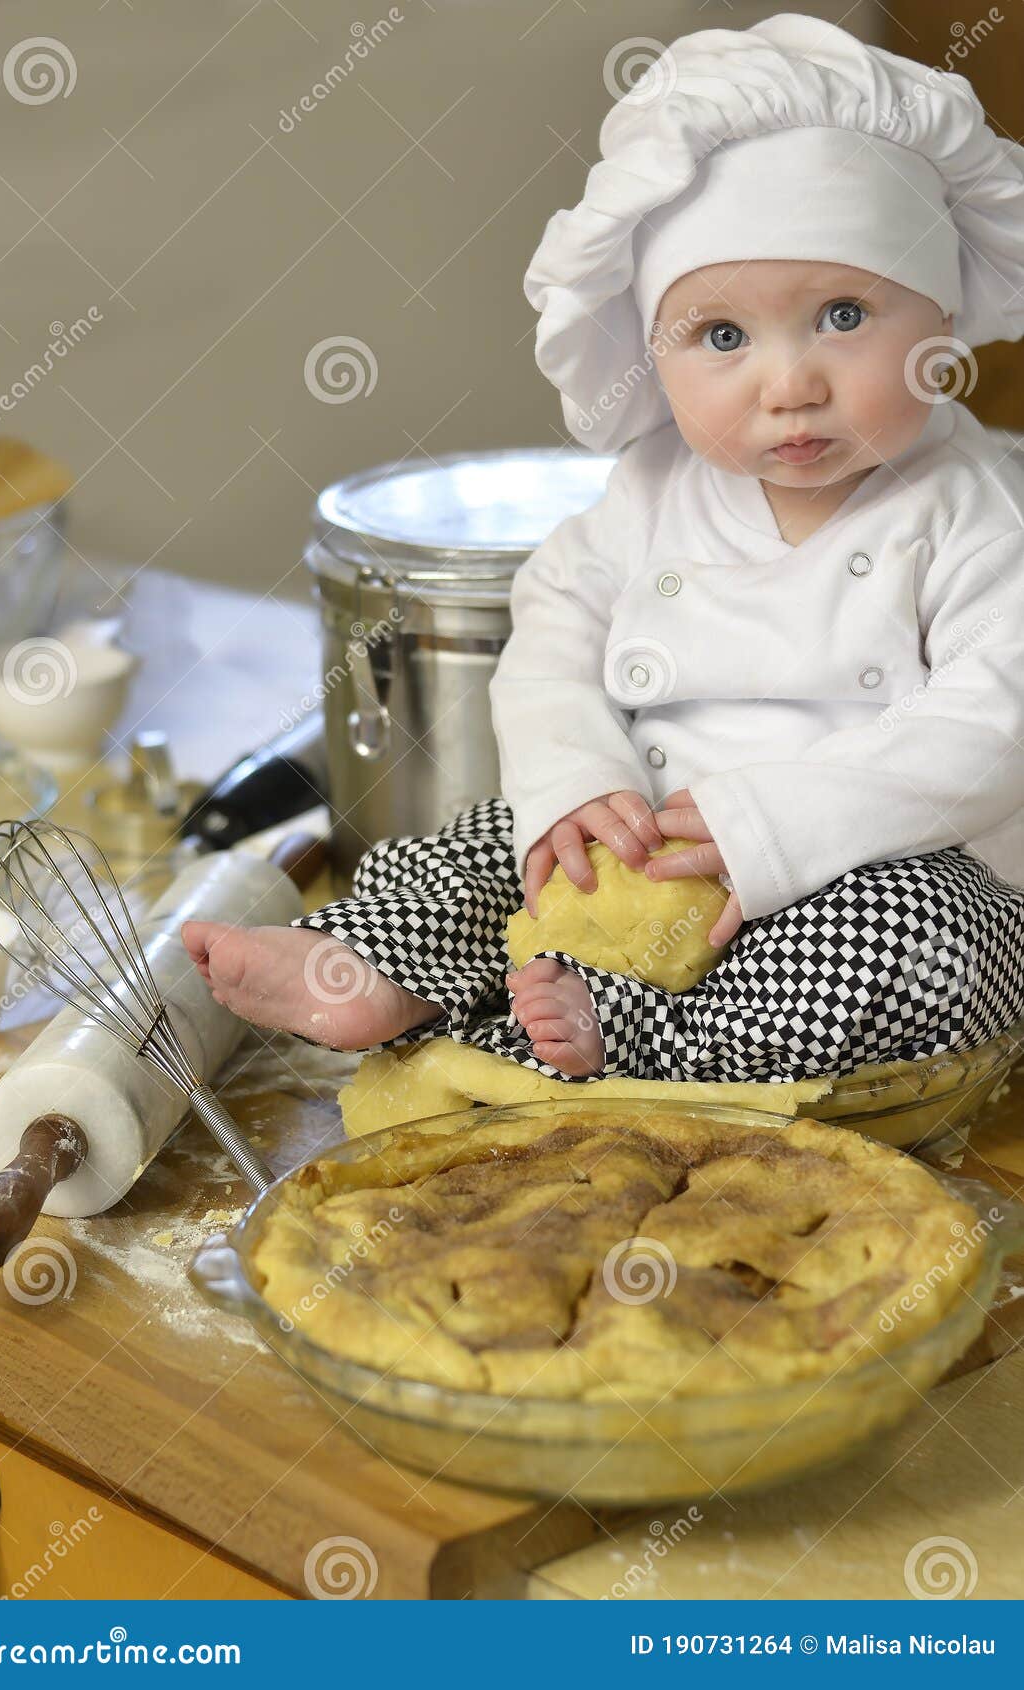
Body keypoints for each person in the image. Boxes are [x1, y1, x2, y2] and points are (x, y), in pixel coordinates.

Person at [182, 13, 1024, 1085]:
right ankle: (368, 968)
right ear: (652, 355)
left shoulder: (973, 509)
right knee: (486, 844)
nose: (788, 383)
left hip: (860, 866)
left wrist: (773, 824)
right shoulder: (652, 488)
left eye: (843, 313)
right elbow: (553, 636)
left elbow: (989, 725)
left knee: (945, 946)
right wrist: (577, 782)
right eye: (722, 337)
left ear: (941, 317)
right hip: (643, 839)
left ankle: (610, 1035)